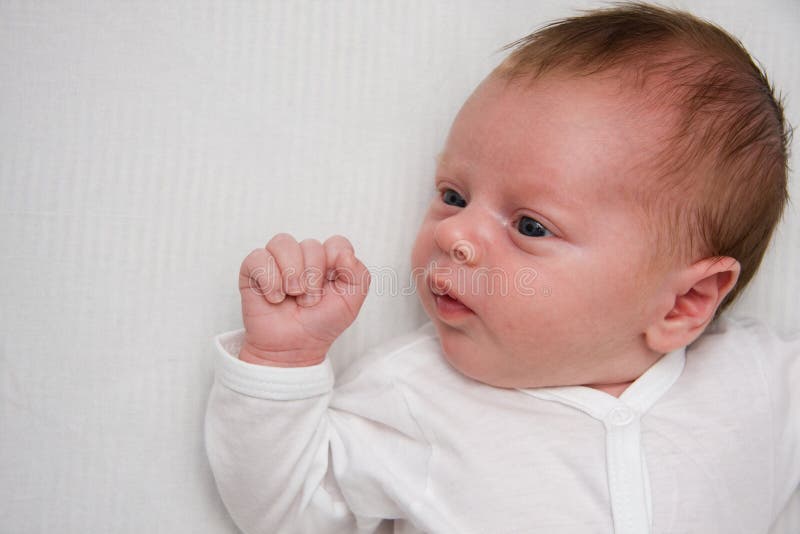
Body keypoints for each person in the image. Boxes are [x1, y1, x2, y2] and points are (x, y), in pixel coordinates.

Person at [205, 3, 799, 533]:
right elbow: (286, 509)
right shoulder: (412, 394)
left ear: (685, 303)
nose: (453, 233)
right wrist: (281, 364)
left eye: (530, 226)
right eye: (454, 195)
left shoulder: (760, 383)